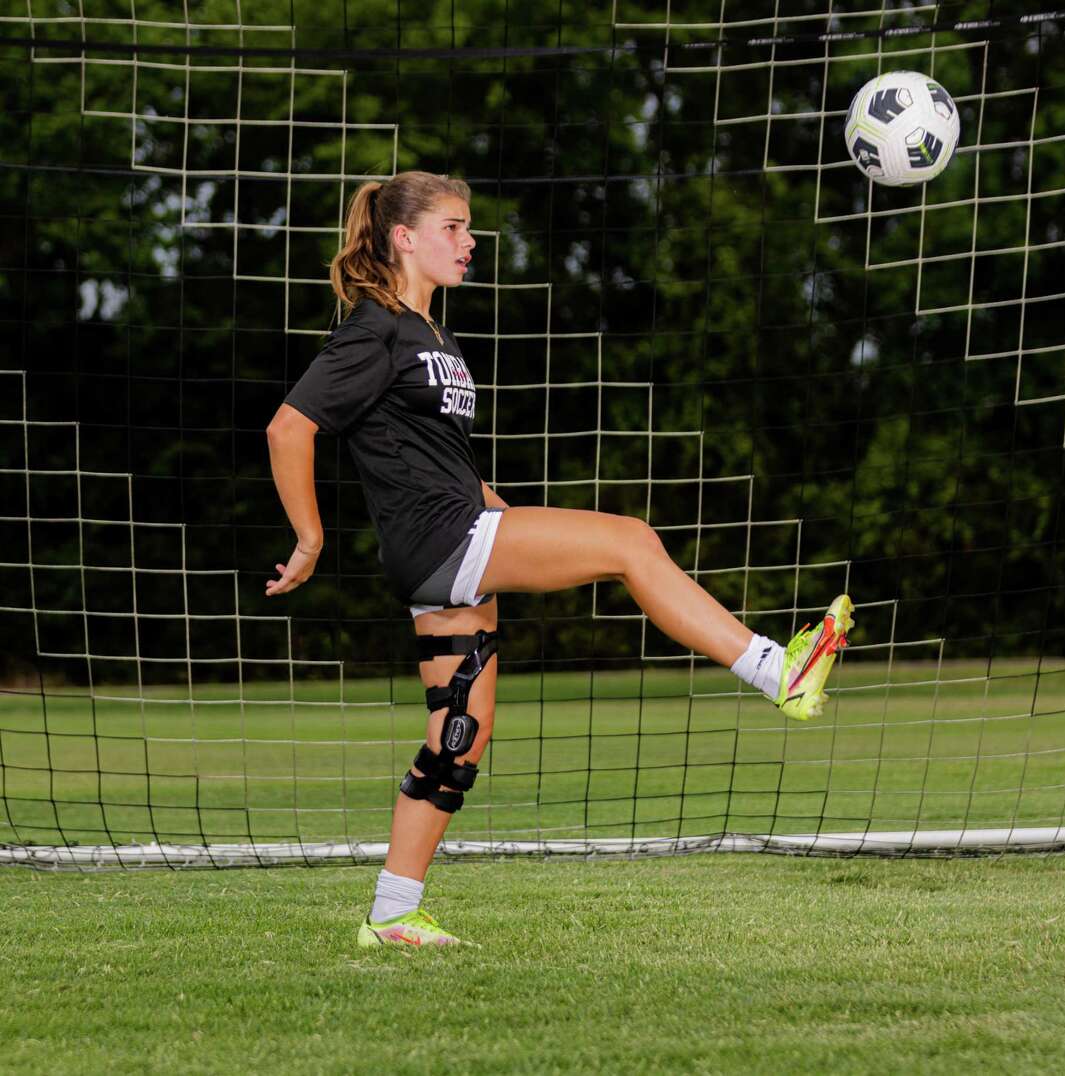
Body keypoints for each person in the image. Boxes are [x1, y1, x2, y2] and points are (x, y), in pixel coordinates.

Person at [265, 171, 854, 949]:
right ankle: (780, 672)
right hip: (440, 540)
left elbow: (435, 456)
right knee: (631, 541)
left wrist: (509, 516)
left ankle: (392, 914)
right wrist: (310, 538)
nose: (468, 240)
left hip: (458, 533)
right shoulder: (374, 330)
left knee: (459, 737)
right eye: (452, 227)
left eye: (467, 227)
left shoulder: (431, 335)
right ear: (403, 238)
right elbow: (289, 428)